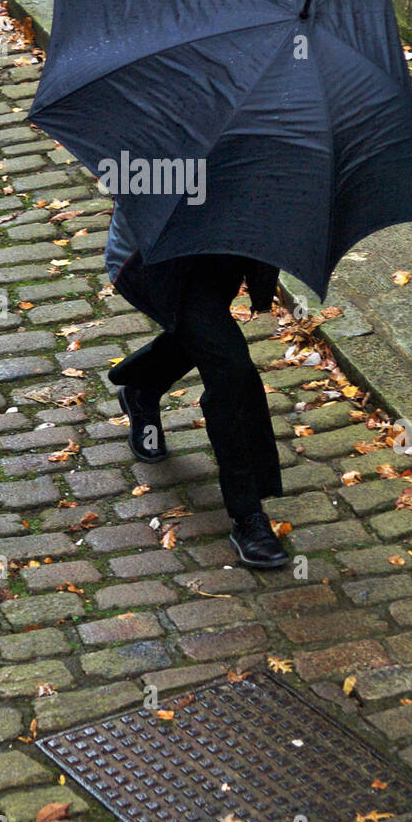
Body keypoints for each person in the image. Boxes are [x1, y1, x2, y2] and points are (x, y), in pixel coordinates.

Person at [103, 200, 289, 569]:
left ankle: (141, 387)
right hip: (152, 259)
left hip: (220, 256)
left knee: (203, 338)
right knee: (232, 370)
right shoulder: (165, 149)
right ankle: (247, 514)